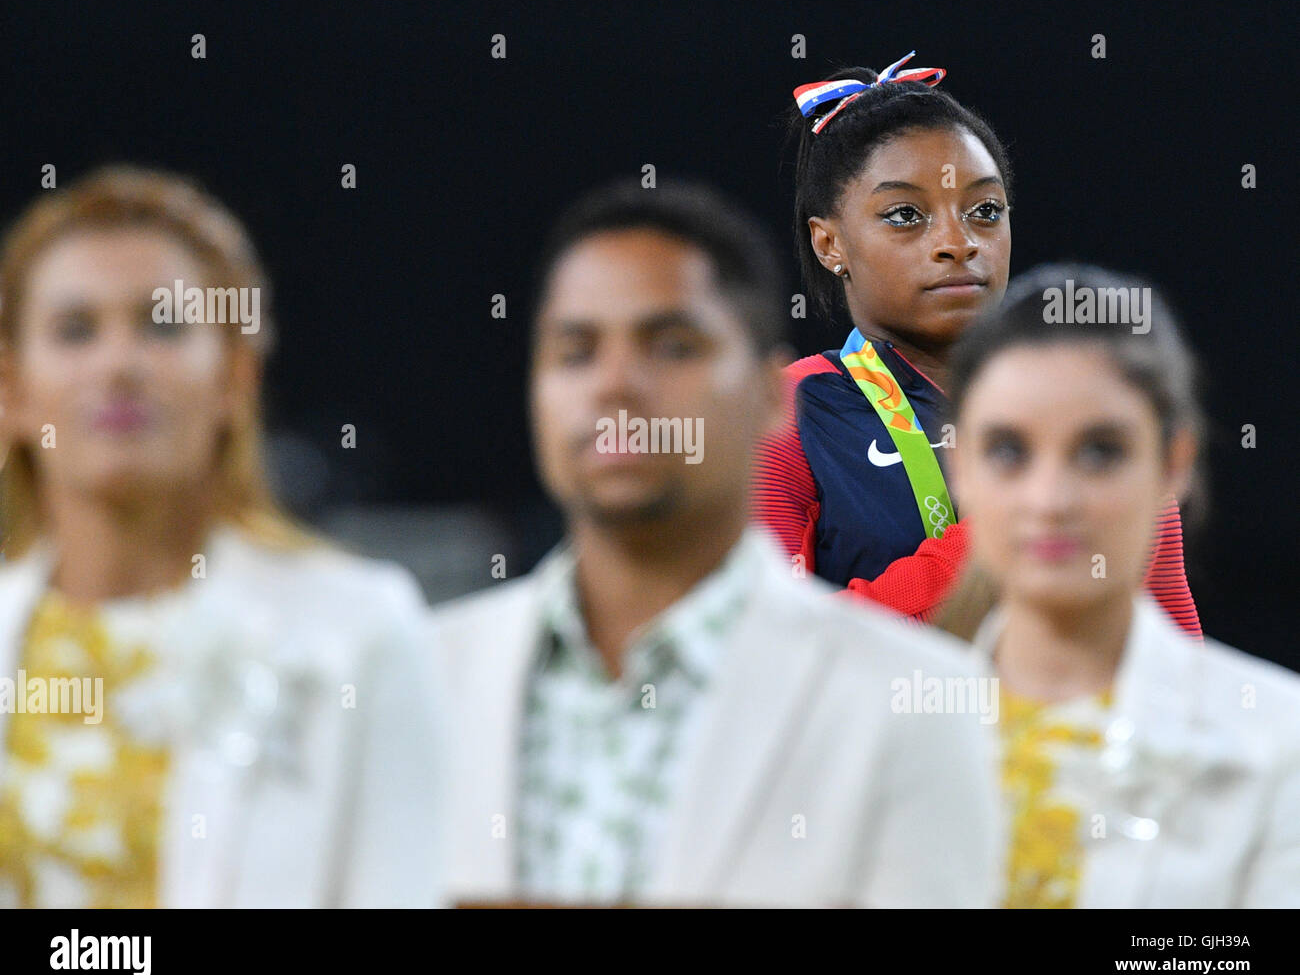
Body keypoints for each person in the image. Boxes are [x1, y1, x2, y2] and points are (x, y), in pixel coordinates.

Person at [413, 178, 1003, 909]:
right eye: (576, 352)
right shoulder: (419, 679)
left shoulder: (916, 706)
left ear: (769, 397)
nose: (616, 384)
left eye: (672, 346)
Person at [0, 165, 435, 908]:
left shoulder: (362, 630)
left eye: (162, 325)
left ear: (235, 377)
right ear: (11, 390)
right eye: (76, 330)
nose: (118, 365)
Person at [753, 52, 1201, 637]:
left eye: (985, 210)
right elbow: (772, 653)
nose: (957, 242)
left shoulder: (1099, 403)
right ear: (829, 242)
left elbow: (1173, 659)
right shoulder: (787, 415)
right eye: (906, 214)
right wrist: (1001, 535)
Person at [939, 263, 1300, 908]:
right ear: (958, 466)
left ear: (1173, 466)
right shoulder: (863, 725)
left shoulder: (1280, 741)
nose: (1050, 500)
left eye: (1099, 451)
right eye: (1008, 451)